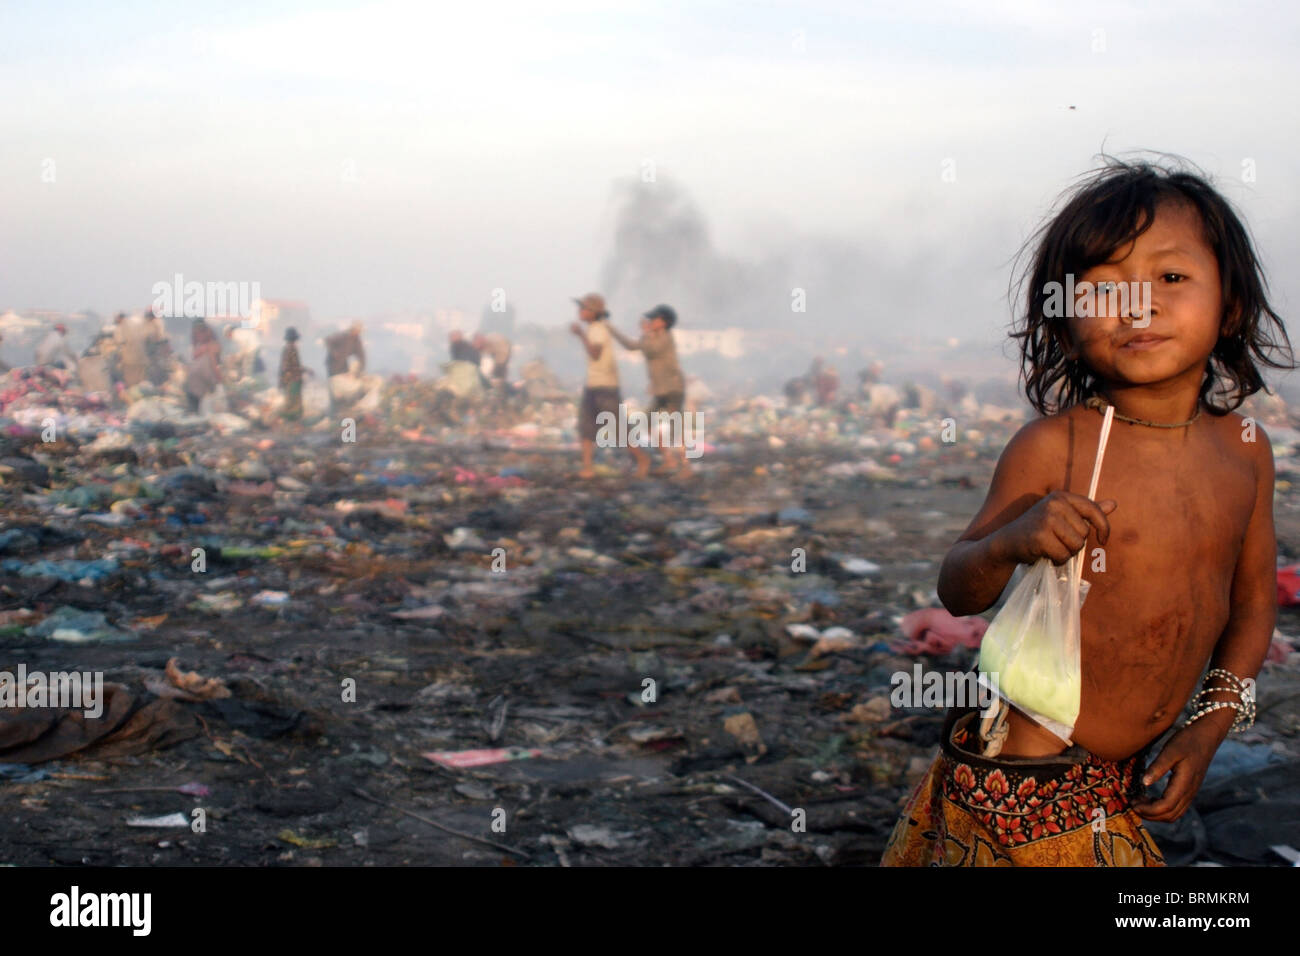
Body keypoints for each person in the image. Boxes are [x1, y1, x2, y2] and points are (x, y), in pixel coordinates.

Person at [882, 158, 1292, 867]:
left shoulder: (1245, 449)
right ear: (1066, 326)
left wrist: (1208, 726)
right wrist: (1012, 542)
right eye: (1103, 287)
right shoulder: (1056, 447)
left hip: (1122, 783)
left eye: (1170, 278)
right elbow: (958, 586)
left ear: (1229, 305)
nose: (1137, 306)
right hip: (1026, 783)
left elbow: (1254, 602)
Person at [569, 292, 648, 479]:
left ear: (593, 312)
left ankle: (642, 460)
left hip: (605, 387)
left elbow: (595, 353)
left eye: (583, 308)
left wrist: (580, 334)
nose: (579, 311)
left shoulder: (597, 329)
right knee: (586, 428)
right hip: (594, 385)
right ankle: (587, 467)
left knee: (618, 428)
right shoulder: (598, 327)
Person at [610, 304, 690, 477]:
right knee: (645, 422)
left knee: (676, 426)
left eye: (654, 319)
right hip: (660, 390)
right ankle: (669, 460)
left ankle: (685, 466)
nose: (651, 322)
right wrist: (612, 330)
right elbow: (631, 345)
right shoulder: (651, 337)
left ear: (664, 322)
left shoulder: (665, 337)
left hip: (673, 388)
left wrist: (646, 333)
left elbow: (652, 349)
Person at [325, 321, 366, 415]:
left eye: (359, 331)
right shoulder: (342, 336)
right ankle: (333, 411)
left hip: (343, 367)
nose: (357, 333)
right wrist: (334, 352)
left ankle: (341, 410)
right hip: (333, 366)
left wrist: (360, 370)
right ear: (352, 330)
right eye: (356, 331)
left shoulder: (356, 341)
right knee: (334, 390)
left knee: (344, 389)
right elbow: (328, 340)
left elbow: (362, 356)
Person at [184, 318, 222, 413]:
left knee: (201, 410)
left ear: (206, 332)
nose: (197, 335)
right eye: (196, 333)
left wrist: (219, 380)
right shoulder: (200, 347)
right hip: (195, 386)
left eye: (200, 332)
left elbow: (214, 365)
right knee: (197, 410)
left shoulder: (211, 346)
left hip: (200, 386)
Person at [279, 327, 304, 421]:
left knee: (292, 402)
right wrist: (304, 370)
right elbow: (292, 366)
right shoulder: (291, 349)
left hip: (291, 379)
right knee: (293, 403)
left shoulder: (287, 349)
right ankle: (291, 422)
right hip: (293, 379)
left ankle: (291, 421)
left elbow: (285, 367)